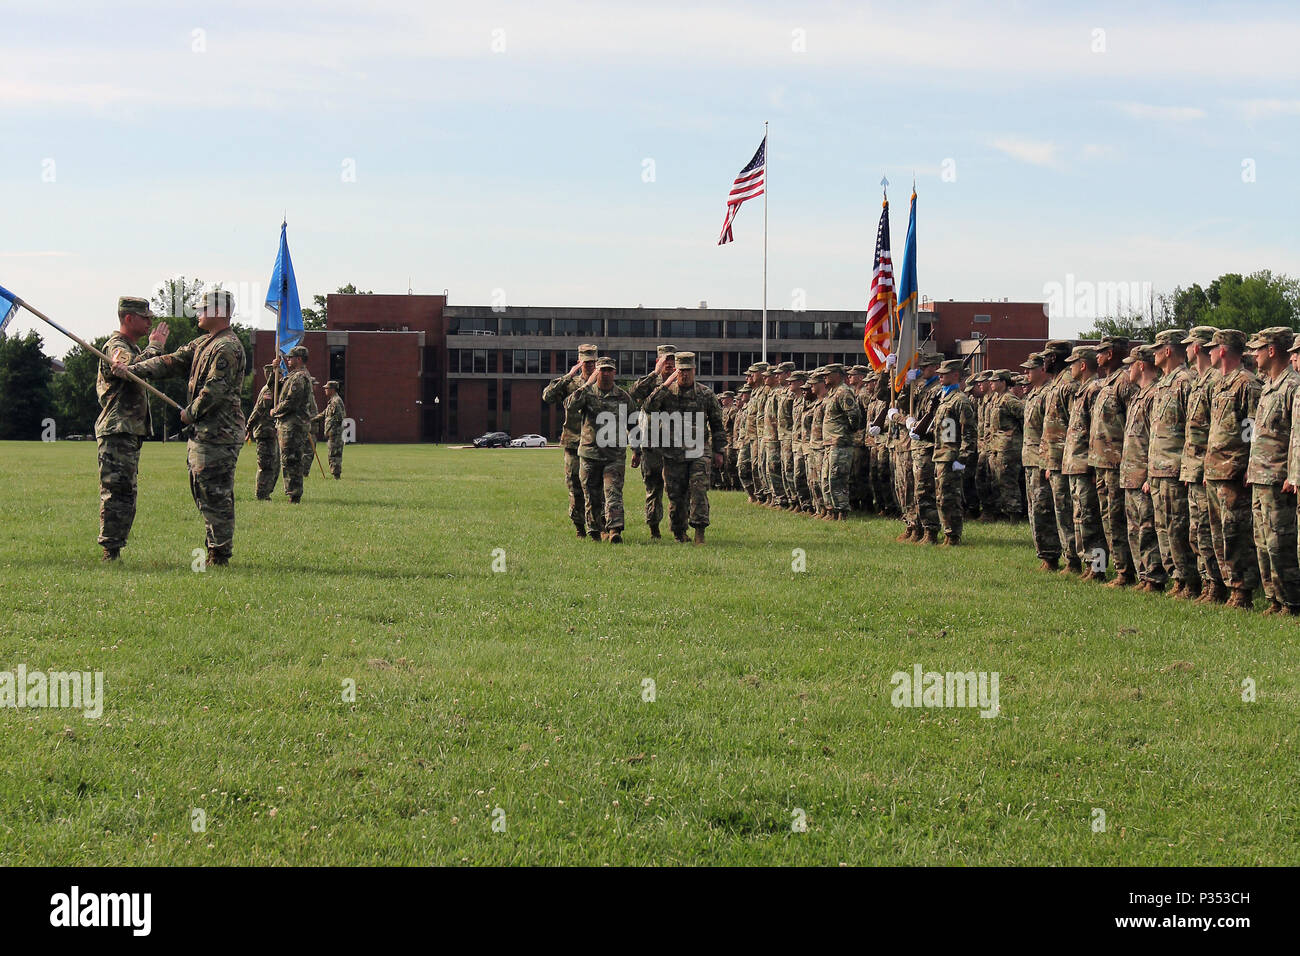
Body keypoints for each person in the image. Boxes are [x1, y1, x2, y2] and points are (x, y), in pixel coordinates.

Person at [117, 290, 246, 566]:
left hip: (219, 434)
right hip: (205, 434)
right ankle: (214, 549)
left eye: (203, 308)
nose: (197, 311)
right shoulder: (204, 343)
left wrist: (190, 413)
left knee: (216, 494)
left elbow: (215, 390)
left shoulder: (227, 347)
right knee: (203, 491)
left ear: (219, 312)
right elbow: (170, 362)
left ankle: (219, 554)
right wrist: (132, 370)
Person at [95, 296, 169, 560]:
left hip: (127, 431)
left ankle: (114, 547)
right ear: (128, 318)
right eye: (145, 317)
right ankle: (110, 551)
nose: (150, 322)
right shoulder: (117, 346)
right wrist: (155, 347)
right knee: (117, 491)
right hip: (117, 430)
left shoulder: (131, 347)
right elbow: (130, 370)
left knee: (126, 490)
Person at [640, 352, 726, 544]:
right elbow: (648, 407)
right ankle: (679, 531)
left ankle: (699, 532)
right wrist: (664, 384)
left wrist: (719, 450)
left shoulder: (705, 394)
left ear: (694, 371)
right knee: (676, 495)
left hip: (698, 451)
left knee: (698, 489)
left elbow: (717, 424)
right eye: (681, 371)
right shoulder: (667, 392)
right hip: (672, 453)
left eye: (688, 371)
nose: (685, 375)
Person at [1204, 328, 1262, 609]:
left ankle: (1242, 591)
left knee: (1236, 533)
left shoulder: (1247, 384)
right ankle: (1226, 586)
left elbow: (1250, 431)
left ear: (1224, 350)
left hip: (1233, 471)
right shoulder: (1218, 384)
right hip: (1215, 470)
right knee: (1218, 533)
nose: (1209, 353)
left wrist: (1247, 465)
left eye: (1213, 348)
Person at [1248, 328, 1300, 614]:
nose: (1254, 353)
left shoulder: (1292, 385)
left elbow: (1296, 434)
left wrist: (1292, 475)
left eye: (1259, 348)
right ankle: (1274, 599)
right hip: (1260, 475)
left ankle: (1291, 602)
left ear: (1272, 350)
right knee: (1263, 543)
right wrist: (1250, 468)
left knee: (1280, 544)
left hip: (1278, 478)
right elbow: (1258, 435)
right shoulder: (1269, 386)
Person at [1147, 329, 1197, 598]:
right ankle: (1176, 578)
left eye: (1157, 348)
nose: (1153, 353)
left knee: (1178, 526)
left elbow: (1195, 426)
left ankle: (1189, 580)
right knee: (1163, 527)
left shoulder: (1186, 381)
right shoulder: (1163, 384)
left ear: (1168, 351)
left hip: (1175, 467)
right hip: (1158, 467)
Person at [1180, 327, 1226, 604]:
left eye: (1190, 345)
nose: (1186, 350)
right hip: (1194, 467)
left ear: (1197, 347)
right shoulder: (1199, 381)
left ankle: (1215, 584)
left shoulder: (1212, 382)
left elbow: (1215, 430)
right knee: (1196, 531)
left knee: (1208, 530)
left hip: (1206, 468)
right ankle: (1205, 583)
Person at [564, 357, 632, 542]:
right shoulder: (587, 393)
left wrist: (638, 450)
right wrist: (588, 384)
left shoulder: (622, 397)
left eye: (610, 370)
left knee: (613, 493)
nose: (606, 373)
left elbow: (633, 423)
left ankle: (614, 530)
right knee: (591, 495)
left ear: (614, 373)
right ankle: (595, 530)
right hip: (590, 455)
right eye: (602, 370)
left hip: (614, 456)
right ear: (597, 372)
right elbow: (569, 405)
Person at [1088, 336, 1136, 588]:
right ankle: (1112, 568)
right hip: (1100, 462)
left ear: (1113, 353)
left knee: (1117, 519)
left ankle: (1125, 572)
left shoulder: (1125, 382)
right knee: (1104, 518)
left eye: (1102, 351)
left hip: (1117, 463)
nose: (1098, 355)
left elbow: (1135, 421)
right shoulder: (1105, 383)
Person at [1120, 344, 1165, 592]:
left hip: (1143, 476)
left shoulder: (1153, 394)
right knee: (1134, 529)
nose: (1127, 369)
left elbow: (1155, 438)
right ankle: (1144, 575)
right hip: (1130, 474)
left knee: (1148, 529)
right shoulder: (1138, 394)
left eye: (1131, 364)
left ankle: (1155, 577)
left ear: (1141, 365)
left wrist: (1149, 474)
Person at [542, 343, 598, 537]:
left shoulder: (601, 383)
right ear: (579, 362)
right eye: (585, 362)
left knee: (593, 487)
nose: (589, 366)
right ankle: (579, 527)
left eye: (592, 362)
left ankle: (596, 526)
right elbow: (548, 396)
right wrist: (568, 374)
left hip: (595, 444)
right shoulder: (570, 384)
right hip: (573, 442)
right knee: (575, 487)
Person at [1061, 346, 1107, 579]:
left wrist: (1091, 465)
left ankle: (1098, 568)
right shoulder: (1082, 390)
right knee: (1080, 516)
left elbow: (1095, 432)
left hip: (1085, 464)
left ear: (1083, 365)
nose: (1070, 367)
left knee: (1091, 518)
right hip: (1075, 464)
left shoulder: (1095, 390)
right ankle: (1088, 564)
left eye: (1073, 363)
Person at [1039, 340, 1081, 574]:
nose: (1043, 361)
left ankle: (1074, 561)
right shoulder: (1056, 384)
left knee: (1069, 513)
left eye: (1046, 357)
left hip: (1066, 462)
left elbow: (1074, 426)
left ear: (1054, 358)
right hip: (1054, 461)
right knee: (1059, 513)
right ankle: (1068, 558)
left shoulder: (1069, 385)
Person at [630, 345, 676, 536]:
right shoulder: (649, 383)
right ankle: (654, 527)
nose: (670, 365)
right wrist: (636, 450)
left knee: (676, 489)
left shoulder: (680, 381)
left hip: (675, 444)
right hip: (651, 445)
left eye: (673, 362)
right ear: (658, 362)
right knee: (653, 488)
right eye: (666, 361)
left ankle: (677, 528)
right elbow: (633, 393)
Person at [930, 359, 977, 545]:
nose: (940, 376)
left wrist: (962, 460)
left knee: (950, 497)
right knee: (942, 497)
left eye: (945, 373)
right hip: (940, 455)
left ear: (956, 375)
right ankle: (947, 531)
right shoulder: (943, 398)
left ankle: (953, 535)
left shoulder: (961, 401)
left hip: (952, 458)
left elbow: (970, 434)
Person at [1020, 353, 1060, 570]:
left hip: (1041, 461)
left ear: (1042, 370)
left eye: (1030, 369)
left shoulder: (1048, 393)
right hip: (1030, 460)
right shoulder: (1034, 393)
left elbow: (1050, 430)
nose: (1026, 372)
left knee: (1044, 509)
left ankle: (1051, 556)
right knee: (1034, 509)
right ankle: (1043, 553)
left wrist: (1047, 461)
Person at [905, 353, 944, 542]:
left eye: (926, 367)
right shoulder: (921, 387)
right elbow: (903, 402)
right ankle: (917, 528)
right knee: (915, 490)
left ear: (936, 367)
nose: (921, 370)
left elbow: (933, 419)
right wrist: (905, 384)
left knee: (925, 490)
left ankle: (930, 531)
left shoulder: (938, 390)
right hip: (917, 446)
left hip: (928, 446)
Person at [820, 364, 864, 521]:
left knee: (837, 478)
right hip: (830, 443)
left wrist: (846, 433)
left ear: (837, 375)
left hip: (840, 442)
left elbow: (855, 416)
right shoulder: (832, 393)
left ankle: (842, 511)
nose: (824, 376)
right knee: (826, 478)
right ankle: (831, 509)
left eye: (828, 374)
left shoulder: (843, 392)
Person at [271, 345, 314, 503]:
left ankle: (294, 494)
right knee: (288, 459)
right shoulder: (293, 376)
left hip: (293, 425)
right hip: (289, 424)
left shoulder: (299, 377)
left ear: (299, 359)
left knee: (292, 459)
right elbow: (275, 387)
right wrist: (275, 371)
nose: (287, 360)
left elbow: (291, 402)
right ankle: (292, 492)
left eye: (291, 357)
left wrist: (275, 411)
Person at [985, 370, 1024, 522]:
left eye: (994, 381)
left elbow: (1024, 415)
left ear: (1003, 382)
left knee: (1008, 482)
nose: (991, 383)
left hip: (1009, 448)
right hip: (997, 446)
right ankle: (1003, 512)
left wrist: (1015, 434)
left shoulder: (1009, 399)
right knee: (998, 480)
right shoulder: (996, 399)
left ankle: (1014, 514)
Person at [246, 364, 280, 500]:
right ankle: (261, 494)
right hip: (264, 432)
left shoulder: (275, 390)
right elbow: (258, 411)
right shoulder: (268, 391)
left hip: (271, 432)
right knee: (265, 465)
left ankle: (266, 492)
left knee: (274, 465)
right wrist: (248, 427)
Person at [312, 380, 346, 479]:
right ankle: (335, 474)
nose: (325, 390)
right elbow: (324, 414)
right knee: (332, 453)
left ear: (332, 389)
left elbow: (339, 417)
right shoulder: (332, 401)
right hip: (332, 432)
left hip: (335, 432)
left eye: (327, 388)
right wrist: (312, 420)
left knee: (334, 454)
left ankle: (336, 475)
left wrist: (331, 425)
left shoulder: (336, 401)